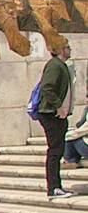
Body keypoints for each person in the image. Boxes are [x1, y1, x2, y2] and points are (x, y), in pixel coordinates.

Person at [36, 42, 75, 198]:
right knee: (55, 151)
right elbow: (47, 87)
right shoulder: (55, 65)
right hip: (50, 114)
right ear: (58, 49)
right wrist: (58, 106)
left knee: (57, 151)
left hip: (55, 114)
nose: (69, 49)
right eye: (67, 47)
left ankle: (56, 186)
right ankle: (53, 187)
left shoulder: (61, 65)